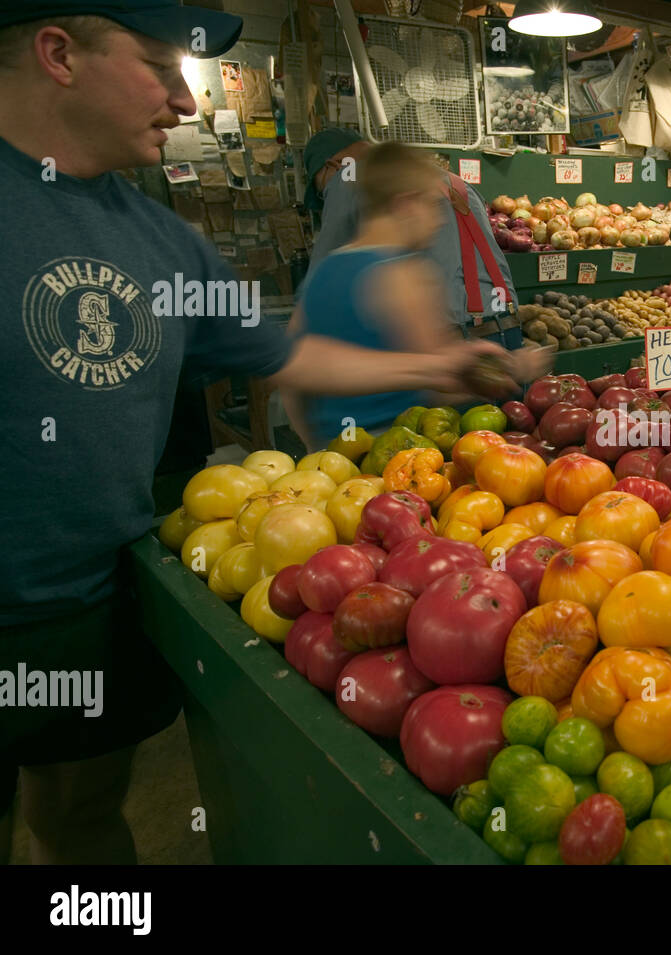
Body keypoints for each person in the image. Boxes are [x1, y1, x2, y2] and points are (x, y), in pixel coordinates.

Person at [0, 0, 533, 864]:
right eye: (160, 66)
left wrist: (435, 367)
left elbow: (287, 358)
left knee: (80, 817)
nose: (184, 100)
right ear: (59, 53)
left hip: (96, 597)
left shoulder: (161, 243)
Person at [285, 142, 549, 448]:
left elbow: (290, 379)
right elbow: (441, 382)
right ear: (406, 205)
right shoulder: (405, 275)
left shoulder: (324, 271)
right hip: (396, 458)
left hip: (334, 458)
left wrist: (313, 446)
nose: (438, 221)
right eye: (433, 207)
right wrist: (516, 367)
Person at [304, 128, 519, 343]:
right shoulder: (456, 182)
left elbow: (320, 270)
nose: (438, 220)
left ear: (330, 166)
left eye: (320, 190)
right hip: (503, 319)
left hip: (446, 333)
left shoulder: (346, 177)